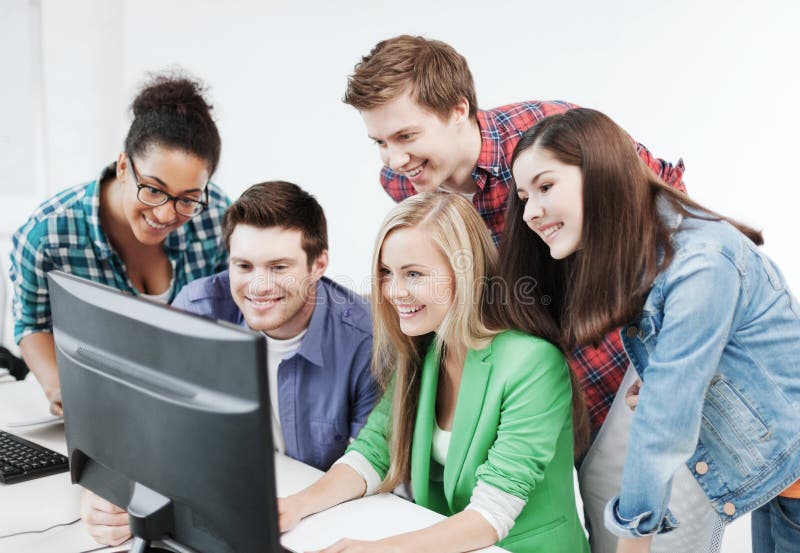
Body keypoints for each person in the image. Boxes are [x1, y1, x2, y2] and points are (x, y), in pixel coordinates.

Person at [343, 35, 687, 477]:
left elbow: (670, 208)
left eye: (407, 135)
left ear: (458, 110)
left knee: (633, 527)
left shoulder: (550, 132)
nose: (395, 159)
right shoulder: (403, 183)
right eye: (380, 142)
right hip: (533, 387)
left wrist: (670, 355)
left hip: (622, 370)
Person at [502, 107, 800, 553]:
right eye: (525, 196)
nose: (530, 213)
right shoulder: (649, 255)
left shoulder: (699, 262)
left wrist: (633, 538)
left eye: (545, 186)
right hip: (782, 485)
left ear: (602, 174)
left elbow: (663, 424)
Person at [279, 192, 589, 553]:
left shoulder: (533, 363)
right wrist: (297, 505)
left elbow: (492, 515)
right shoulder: (426, 349)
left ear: (465, 273)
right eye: (386, 273)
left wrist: (381, 549)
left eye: (413, 274)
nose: (395, 292)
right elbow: (374, 452)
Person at [80, 181, 381, 547]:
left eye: (279, 266)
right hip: (217, 506)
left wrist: (297, 506)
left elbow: (374, 458)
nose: (258, 285)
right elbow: (149, 420)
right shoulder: (197, 310)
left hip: (318, 520)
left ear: (318, 264)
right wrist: (116, 490)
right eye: (244, 265)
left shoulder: (365, 338)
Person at [9, 72, 230, 416]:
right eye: (154, 189)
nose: (165, 213)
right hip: (100, 409)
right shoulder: (47, 235)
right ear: (124, 165)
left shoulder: (215, 216)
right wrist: (58, 387)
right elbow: (32, 325)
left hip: (186, 406)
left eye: (187, 198)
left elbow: (230, 315)